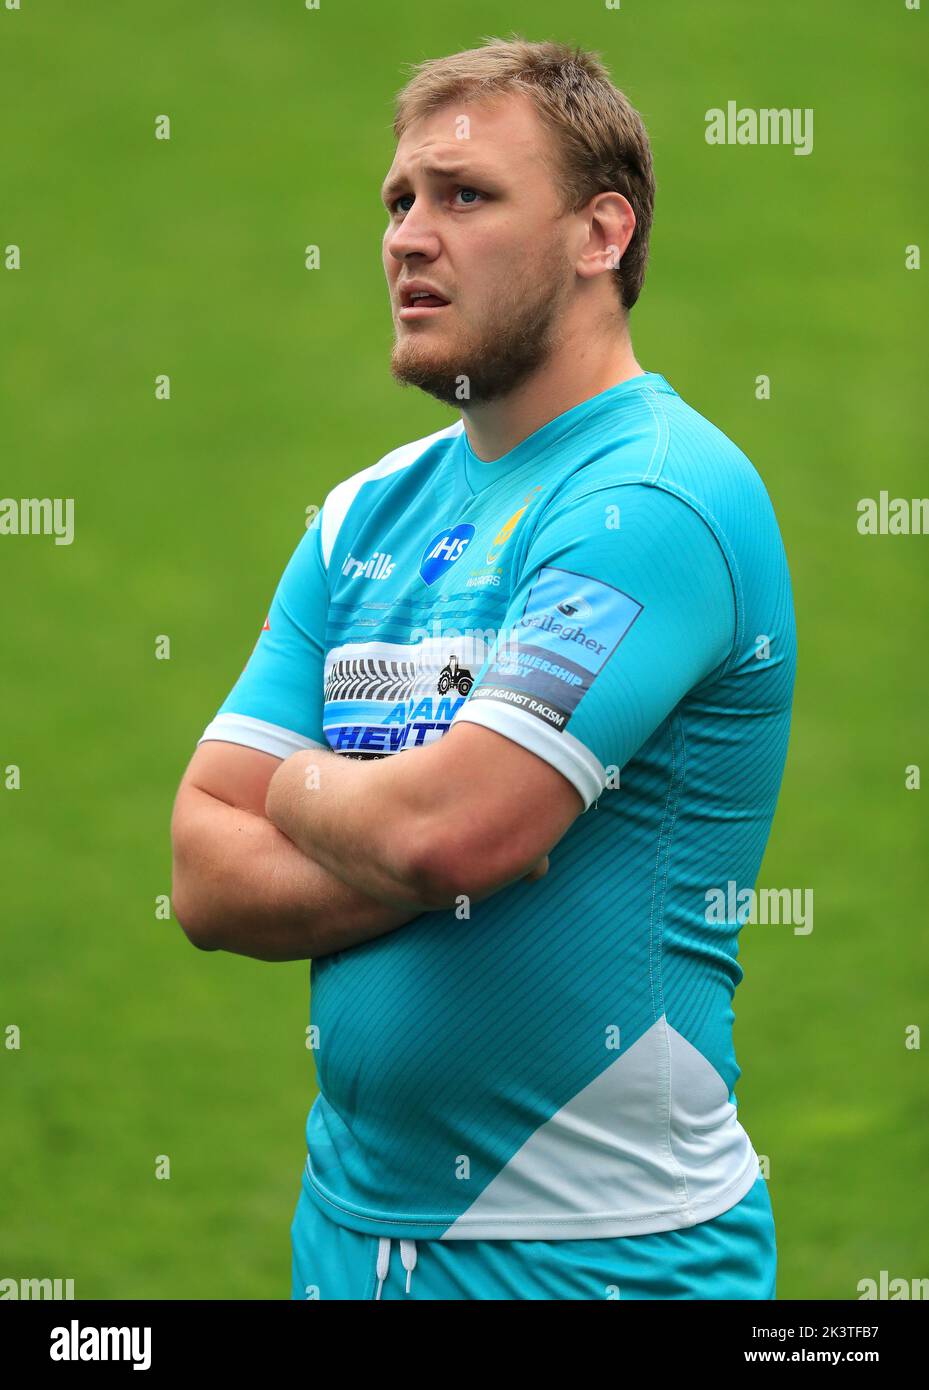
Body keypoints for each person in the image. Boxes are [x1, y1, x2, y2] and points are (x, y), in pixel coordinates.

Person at [171, 37, 796, 1300]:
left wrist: (298, 791)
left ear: (599, 234)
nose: (408, 235)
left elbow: (455, 835)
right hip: (346, 1238)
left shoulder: (651, 501)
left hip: (603, 1256)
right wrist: (408, 822)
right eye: (398, 200)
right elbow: (199, 872)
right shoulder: (362, 514)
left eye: (465, 196)